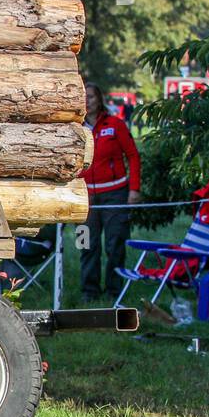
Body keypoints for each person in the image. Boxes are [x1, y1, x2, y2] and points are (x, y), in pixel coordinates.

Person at [79, 82, 142, 303]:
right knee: (86, 244)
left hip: (115, 194)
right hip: (84, 197)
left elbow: (133, 156)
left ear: (100, 99)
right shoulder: (75, 128)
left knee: (115, 244)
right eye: (83, 96)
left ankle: (115, 292)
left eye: (91, 97)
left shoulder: (115, 124)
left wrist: (134, 189)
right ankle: (89, 292)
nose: (87, 101)